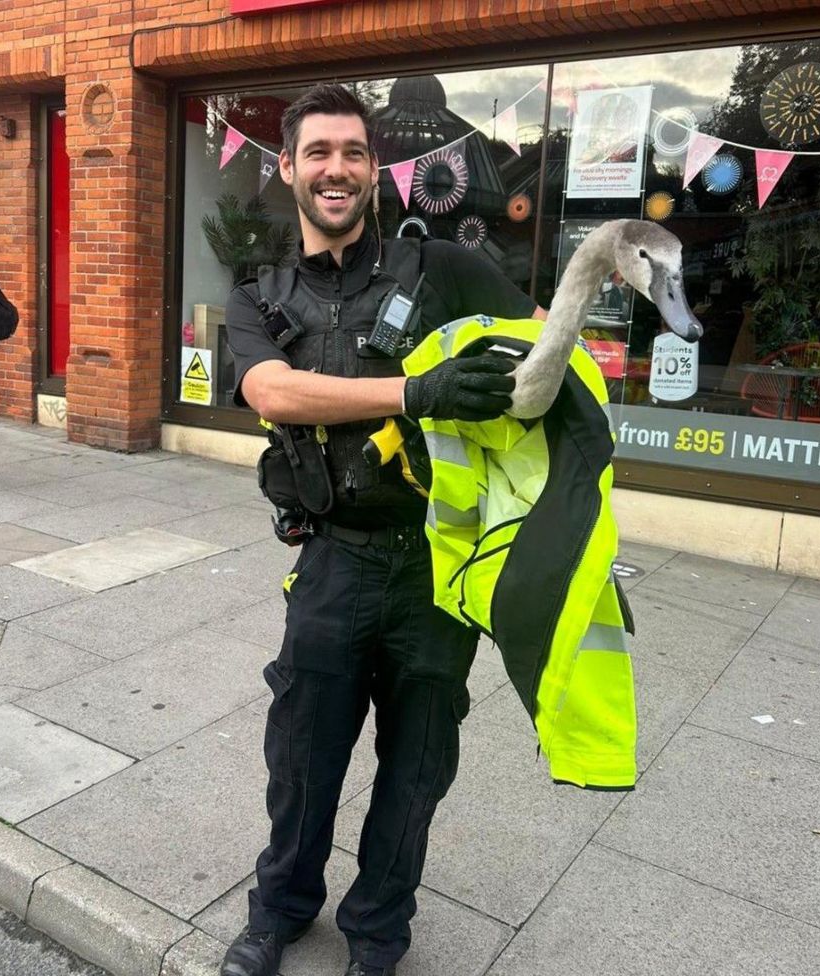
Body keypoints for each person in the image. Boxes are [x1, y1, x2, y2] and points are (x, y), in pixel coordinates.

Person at [221, 84, 545, 976]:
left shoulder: (441, 268)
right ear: (286, 168)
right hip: (332, 560)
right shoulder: (259, 297)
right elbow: (273, 391)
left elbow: (546, 350)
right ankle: (279, 909)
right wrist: (414, 392)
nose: (337, 169)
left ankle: (378, 931)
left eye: (354, 153)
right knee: (302, 758)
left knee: (415, 771)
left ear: (374, 169)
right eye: (318, 151)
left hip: (439, 568)